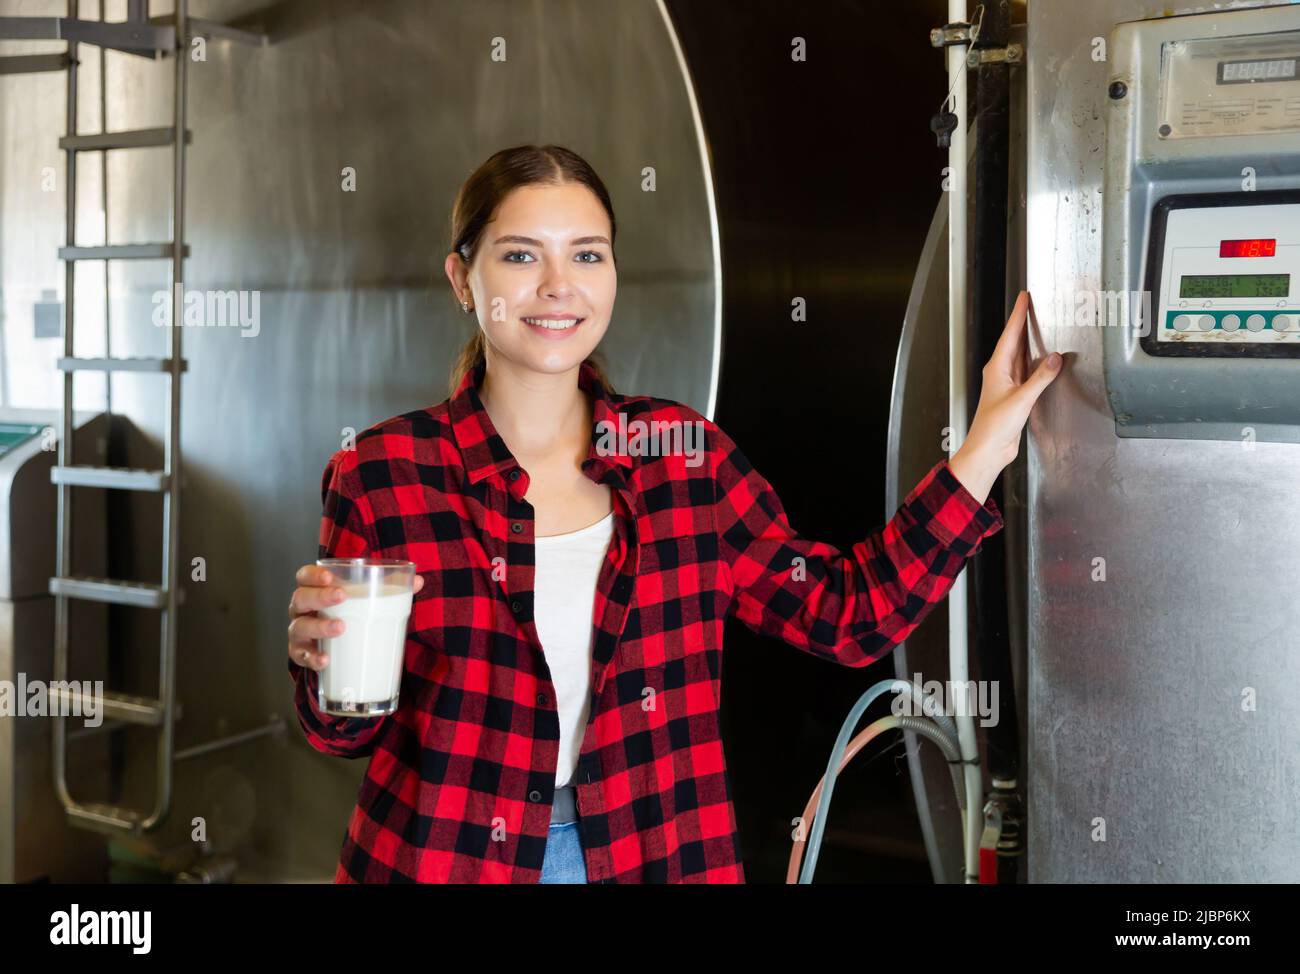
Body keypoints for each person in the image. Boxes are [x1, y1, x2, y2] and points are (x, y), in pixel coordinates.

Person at [285, 143, 1061, 884]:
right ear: (462, 277)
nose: (559, 285)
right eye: (521, 255)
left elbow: (850, 616)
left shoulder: (683, 458)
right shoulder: (384, 473)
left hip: (653, 852)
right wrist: (321, 665)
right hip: (441, 860)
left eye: (587, 254)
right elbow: (344, 731)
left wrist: (986, 445)